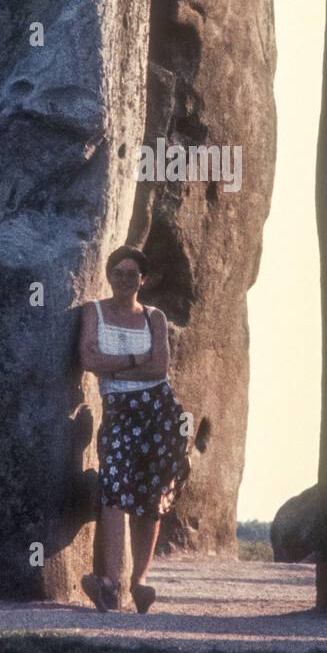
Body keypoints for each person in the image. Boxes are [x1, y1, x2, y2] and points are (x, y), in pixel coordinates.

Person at [78, 245, 191, 614]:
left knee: (151, 495)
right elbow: (88, 358)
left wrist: (115, 368)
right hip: (119, 410)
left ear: (143, 280)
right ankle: (110, 584)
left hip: (158, 408)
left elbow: (158, 369)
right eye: (118, 273)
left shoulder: (154, 317)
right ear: (108, 276)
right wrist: (133, 361)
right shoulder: (93, 311)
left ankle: (140, 583)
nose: (124, 280)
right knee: (113, 488)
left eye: (131, 274)